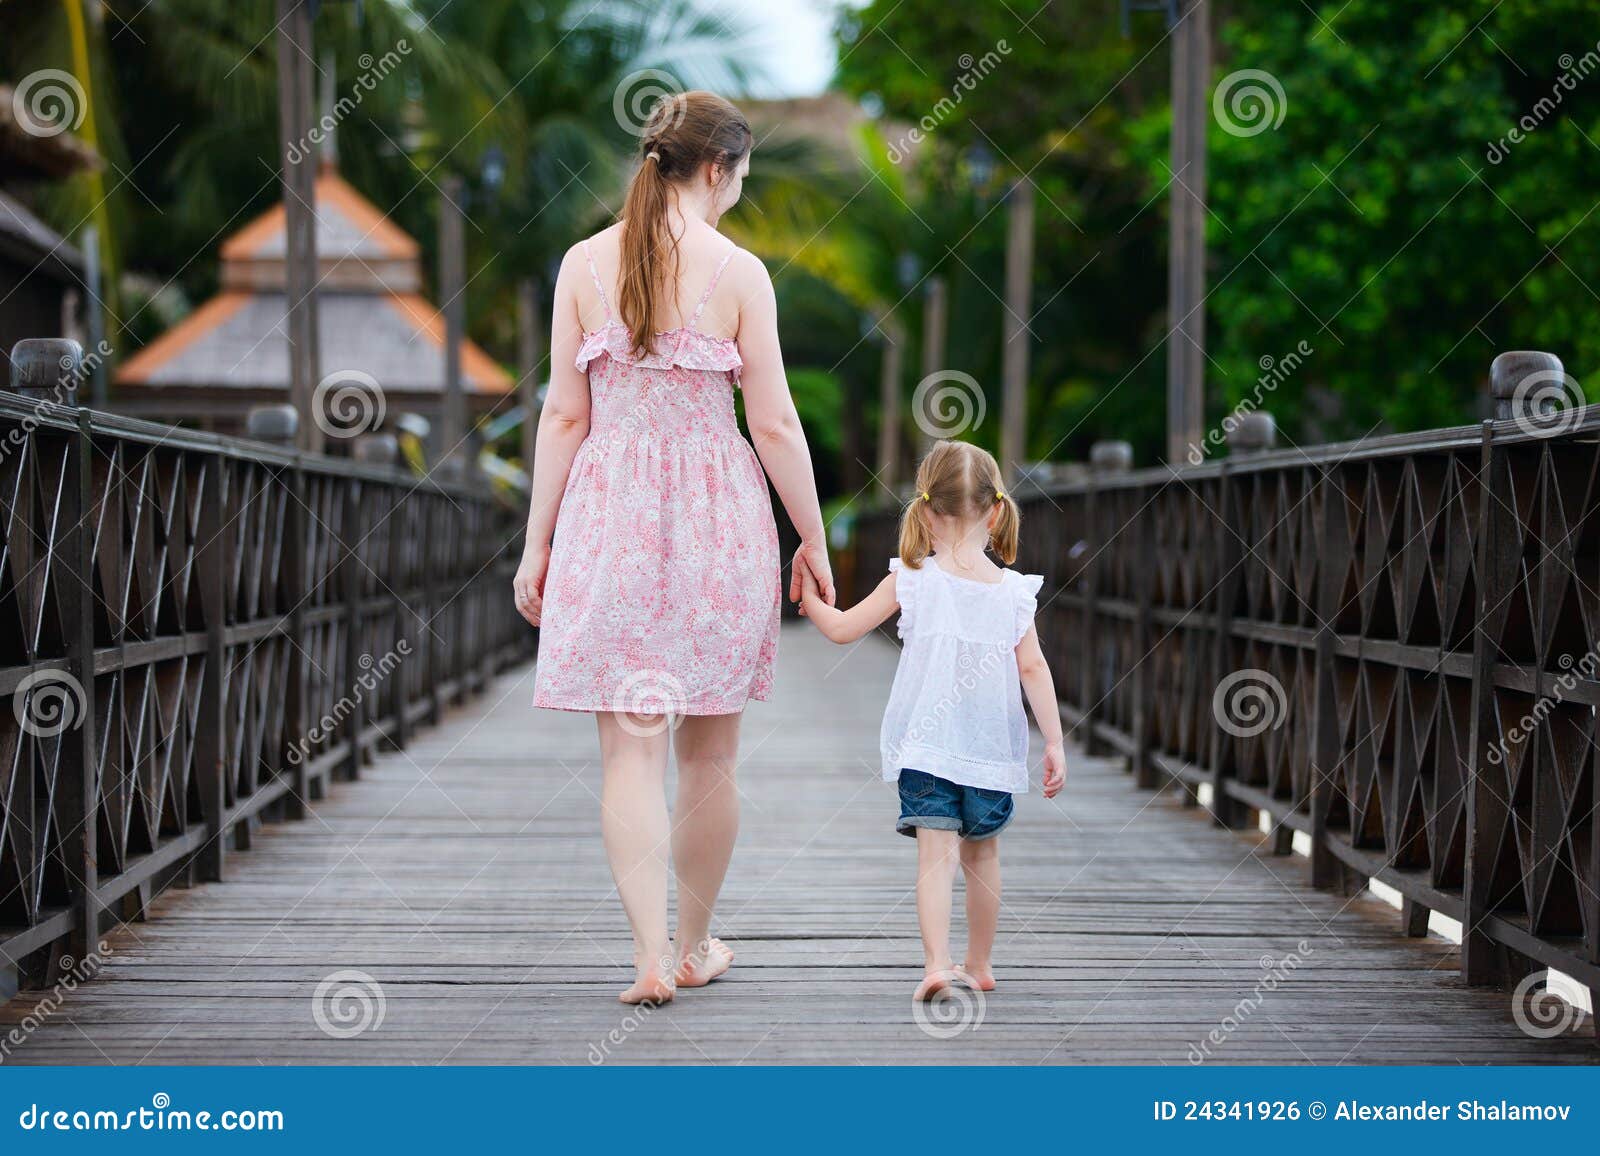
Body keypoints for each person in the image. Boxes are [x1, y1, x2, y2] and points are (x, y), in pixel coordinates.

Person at [512, 91, 834, 1006]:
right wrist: (809, 537)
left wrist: (536, 544)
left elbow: (564, 416)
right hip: (716, 524)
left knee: (630, 755)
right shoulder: (740, 272)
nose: (739, 190)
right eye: (742, 174)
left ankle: (648, 954)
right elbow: (772, 422)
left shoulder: (581, 265)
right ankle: (695, 946)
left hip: (609, 519)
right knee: (710, 759)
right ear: (715, 169)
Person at [799, 440, 1065, 1001]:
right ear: (995, 512)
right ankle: (981, 963)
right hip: (991, 750)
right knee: (983, 855)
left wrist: (810, 601)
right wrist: (1055, 744)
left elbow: (845, 628)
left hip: (926, 749)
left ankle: (937, 964)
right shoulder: (1014, 593)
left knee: (935, 856)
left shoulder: (913, 578)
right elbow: (1034, 669)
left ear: (923, 510)